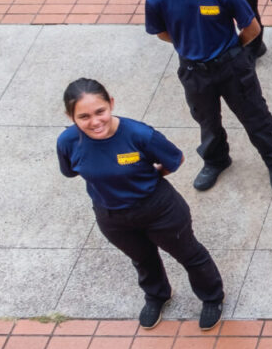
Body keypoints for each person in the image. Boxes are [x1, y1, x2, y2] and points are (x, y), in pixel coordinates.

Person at [57, 78, 224, 331]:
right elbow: (71, 171)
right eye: (84, 116)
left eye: (100, 111)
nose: (95, 121)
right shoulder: (67, 142)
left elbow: (174, 160)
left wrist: (145, 177)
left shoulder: (140, 134)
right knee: (142, 259)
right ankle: (157, 295)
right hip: (111, 217)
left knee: (189, 254)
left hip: (159, 209)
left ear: (111, 104)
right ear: (71, 117)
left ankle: (212, 298)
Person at [144, 0, 272, 193]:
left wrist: (232, 51)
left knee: (255, 116)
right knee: (206, 120)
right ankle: (216, 160)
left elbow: (252, 29)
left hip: (231, 67)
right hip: (193, 71)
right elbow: (162, 33)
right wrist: (188, 46)